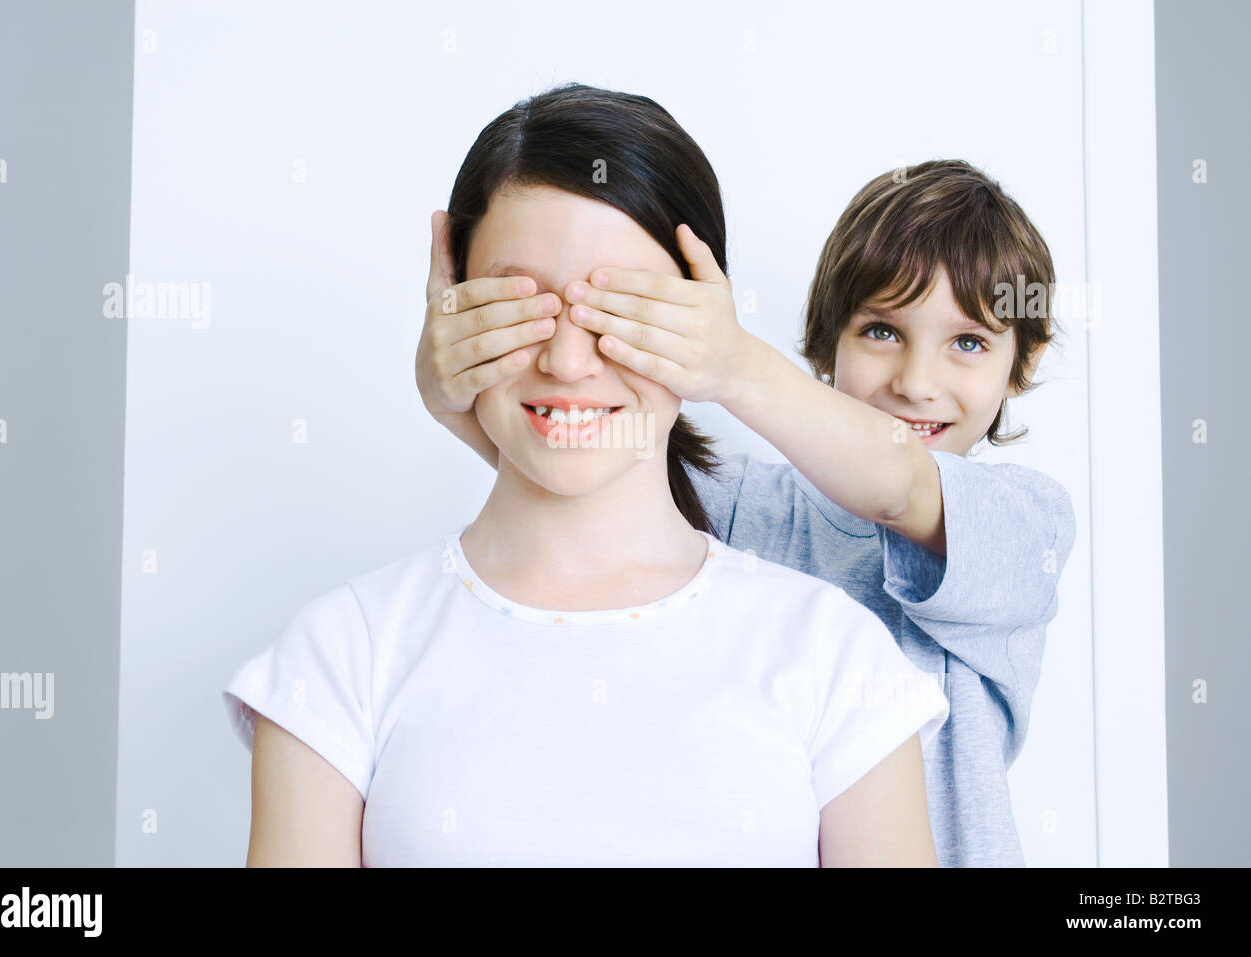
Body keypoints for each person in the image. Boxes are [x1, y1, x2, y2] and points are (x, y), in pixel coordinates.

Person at [223, 82, 948, 867]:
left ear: (705, 321)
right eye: (517, 304)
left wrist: (734, 363)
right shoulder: (342, 653)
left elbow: (904, 483)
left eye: (621, 310)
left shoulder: (834, 655)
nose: (568, 360)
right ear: (449, 304)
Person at [422, 153, 1077, 867]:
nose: (918, 383)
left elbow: (903, 485)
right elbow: (577, 481)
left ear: (1026, 361)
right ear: (828, 339)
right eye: (883, 331)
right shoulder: (737, 503)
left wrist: (732, 362)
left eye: (969, 343)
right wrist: (449, 398)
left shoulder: (1024, 523)